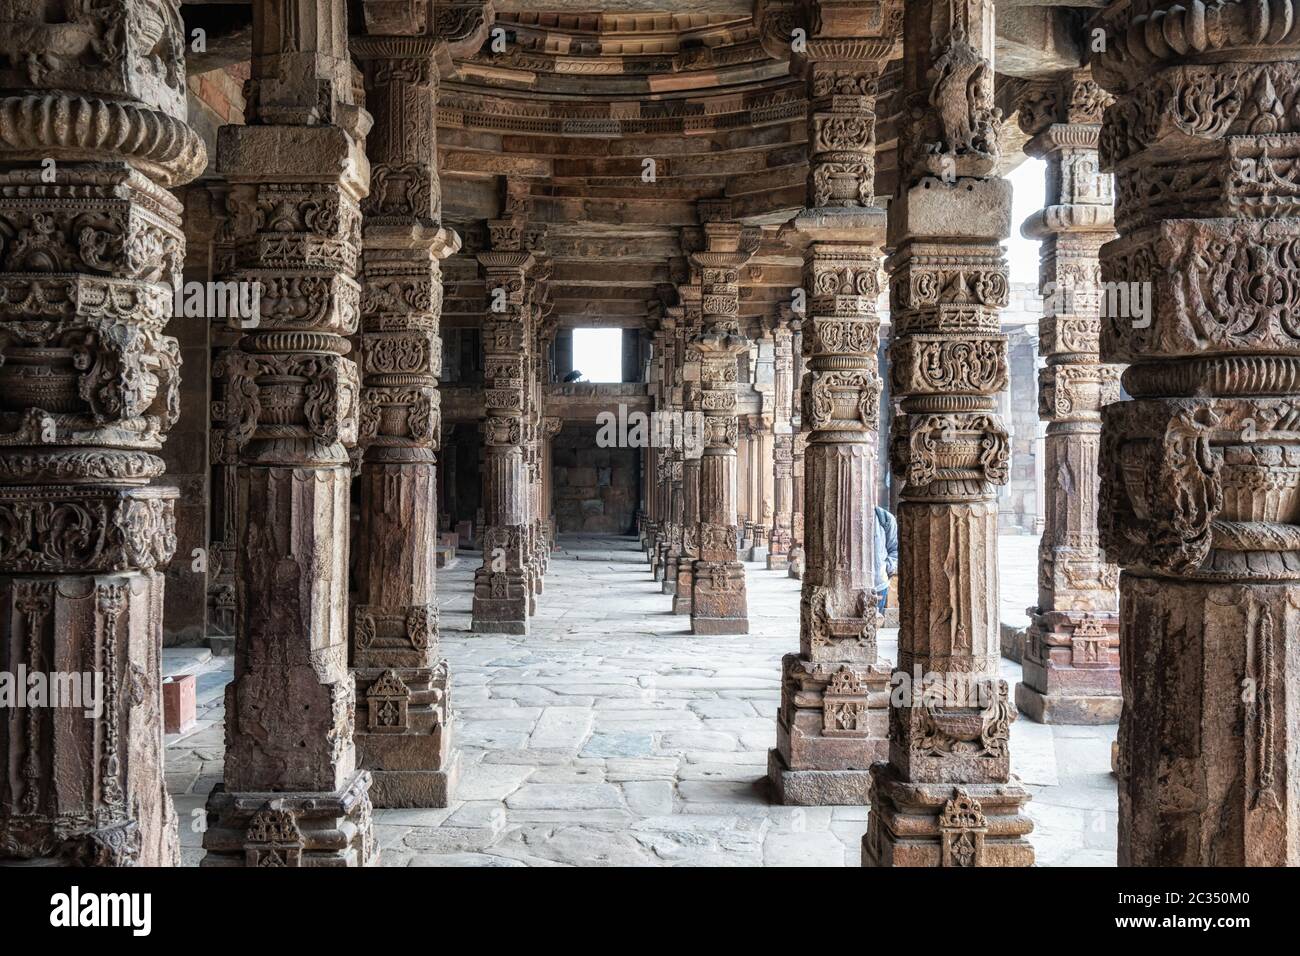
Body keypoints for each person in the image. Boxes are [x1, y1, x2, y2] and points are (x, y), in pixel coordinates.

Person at [873, 505, 898, 614]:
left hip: (878, 585)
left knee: (873, 627)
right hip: (847, 586)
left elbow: (895, 549)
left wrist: (885, 568)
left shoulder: (884, 518)